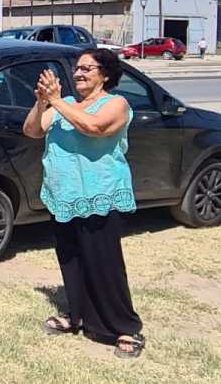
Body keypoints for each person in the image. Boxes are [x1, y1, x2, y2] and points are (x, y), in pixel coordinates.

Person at [23, 48, 145, 359]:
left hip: (99, 196)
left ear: (105, 74)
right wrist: (41, 102)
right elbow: (32, 130)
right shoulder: (68, 106)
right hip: (64, 196)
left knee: (104, 263)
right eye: (77, 68)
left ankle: (125, 327)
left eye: (87, 69)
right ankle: (78, 316)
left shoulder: (116, 104)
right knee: (72, 260)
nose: (78, 73)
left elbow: (95, 128)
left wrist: (58, 101)